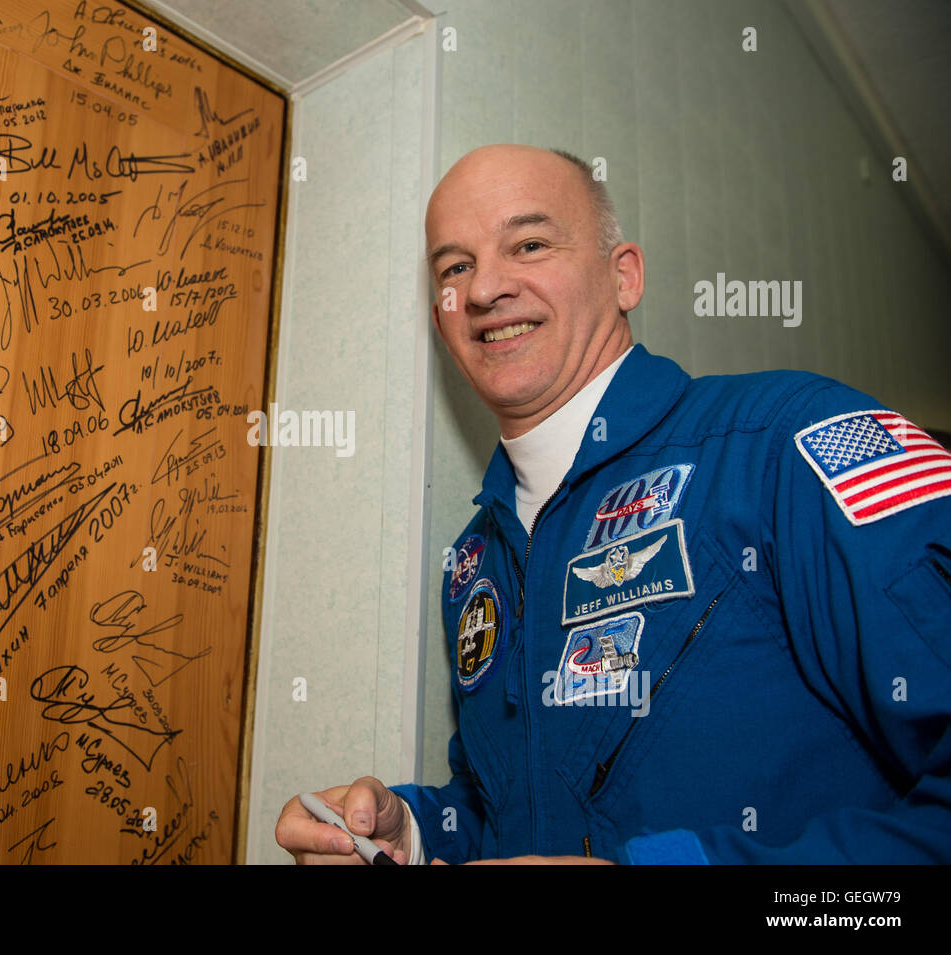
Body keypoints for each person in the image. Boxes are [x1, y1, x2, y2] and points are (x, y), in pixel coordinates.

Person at [275, 144, 951, 864]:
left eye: (528, 244)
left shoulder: (784, 444)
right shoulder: (476, 559)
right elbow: (517, 805)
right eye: (455, 268)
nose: (485, 289)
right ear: (441, 320)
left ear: (623, 275)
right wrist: (409, 831)